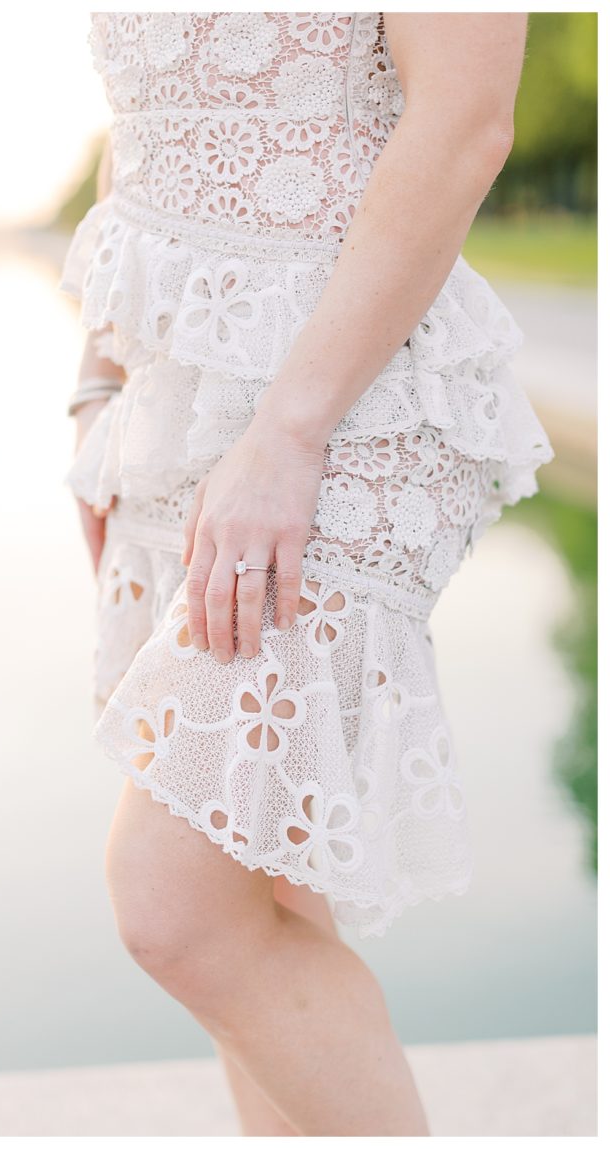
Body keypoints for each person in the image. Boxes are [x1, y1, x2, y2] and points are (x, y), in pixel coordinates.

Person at [63, 14, 551, 1136]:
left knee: (174, 909)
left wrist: (289, 433)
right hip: (175, 395)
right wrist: (99, 384)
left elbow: (466, 124)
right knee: (261, 888)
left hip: (345, 394)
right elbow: (141, 122)